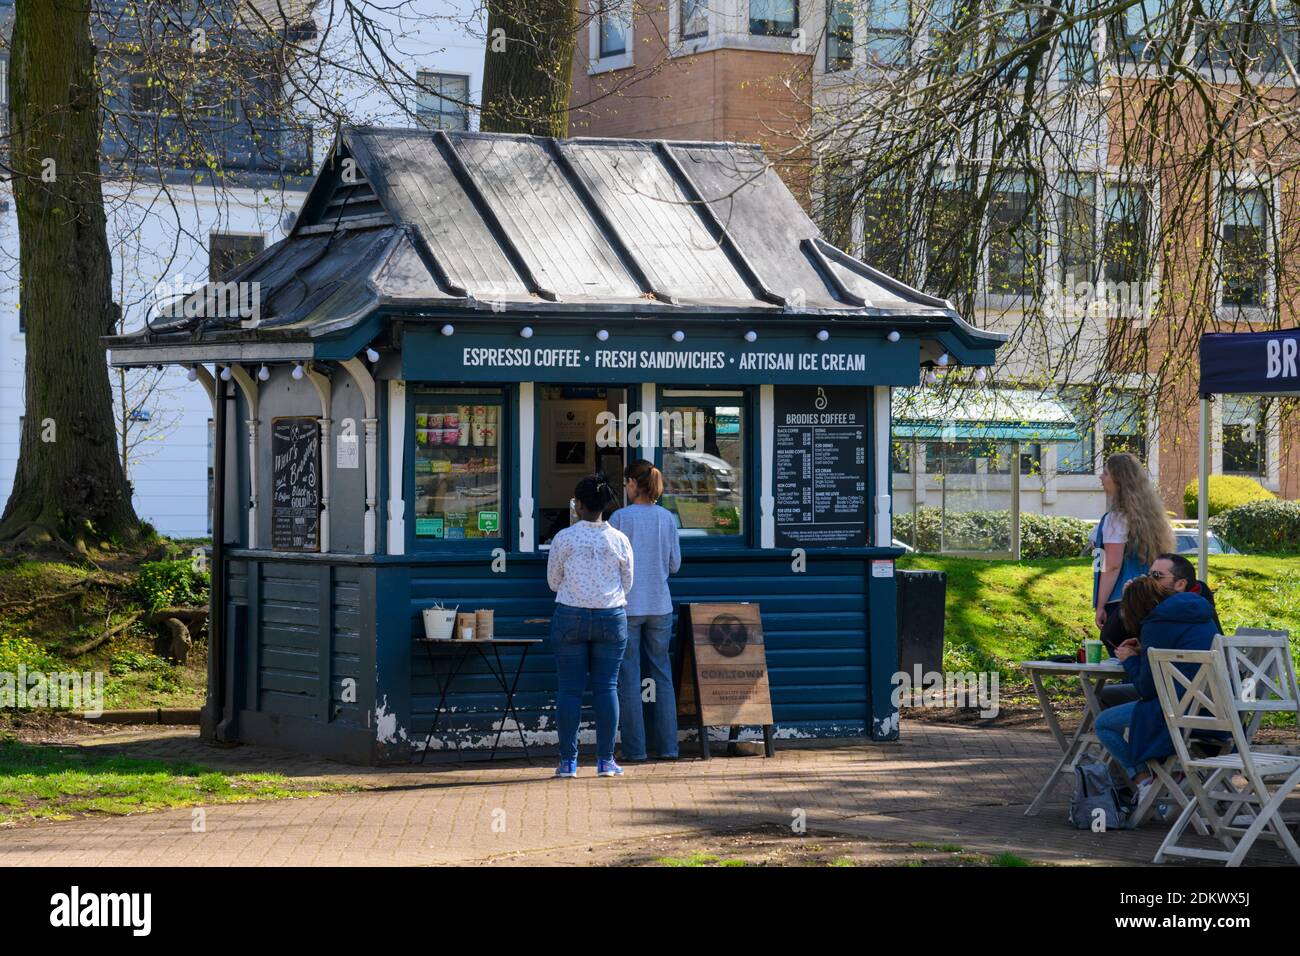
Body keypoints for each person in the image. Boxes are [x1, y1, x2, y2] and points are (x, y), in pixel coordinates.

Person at [1093, 576, 1219, 808]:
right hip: (1216, 710)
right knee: (1115, 697)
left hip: (1180, 711)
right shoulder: (1200, 611)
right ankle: (1167, 777)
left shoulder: (1155, 622)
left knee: (1104, 724)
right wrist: (1145, 652)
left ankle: (1145, 781)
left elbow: (1147, 689)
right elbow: (1180, 654)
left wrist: (1131, 660)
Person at [546, 473, 634, 779]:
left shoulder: (564, 538)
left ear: (578, 505)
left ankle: (568, 762)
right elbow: (628, 583)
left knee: (569, 690)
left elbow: (553, 581)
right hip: (611, 617)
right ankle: (605, 761)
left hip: (570, 615)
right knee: (607, 687)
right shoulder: (619, 539)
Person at [610, 459, 682, 762]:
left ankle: (635, 749)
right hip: (660, 605)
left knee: (628, 676)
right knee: (662, 675)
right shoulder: (667, 519)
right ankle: (669, 748)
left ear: (632, 485)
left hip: (627, 606)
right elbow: (674, 565)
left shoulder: (619, 518)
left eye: (627, 482)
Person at [1100, 552, 1224, 707]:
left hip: (1177, 704)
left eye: (1156, 576)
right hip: (1214, 702)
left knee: (1104, 719)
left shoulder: (1161, 618)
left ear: (1180, 584)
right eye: (1148, 575)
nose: (1148, 581)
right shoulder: (1198, 607)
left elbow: (1147, 688)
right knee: (1108, 695)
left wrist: (1132, 658)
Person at [1092, 452, 1175, 654]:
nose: (1101, 478)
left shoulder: (1116, 518)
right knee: (1141, 653)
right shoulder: (1152, 519)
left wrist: (1100, 605)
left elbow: (1111, 565)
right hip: (1149, 598)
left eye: (1105, 473)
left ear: (1118, 480)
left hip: (1119, 600)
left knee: (1123, 654)